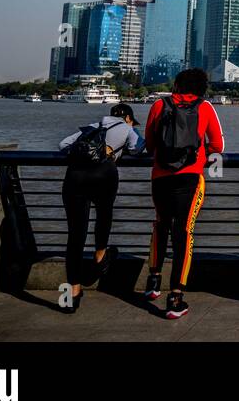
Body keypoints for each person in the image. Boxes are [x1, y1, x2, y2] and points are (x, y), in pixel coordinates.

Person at [143, 68, 225, 319]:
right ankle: (176, 297)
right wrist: (199, 153)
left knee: (161, 224)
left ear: (177, 85)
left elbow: (149, 145)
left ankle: (154, 280)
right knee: (185, 232)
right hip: (190, 178)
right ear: (202, 88)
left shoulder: (159, 105)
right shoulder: (206, 107)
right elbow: (218, 145)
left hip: (160, 177)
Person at [57, 103, 143, 313]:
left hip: (75, 176)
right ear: (129, 118)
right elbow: (138, 148)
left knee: (75, 236)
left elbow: (63, 144)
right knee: (104, 215)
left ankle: (73, 293)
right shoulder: (128, 129)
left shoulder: (91, 127)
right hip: (104, 175)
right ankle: (100, 256)